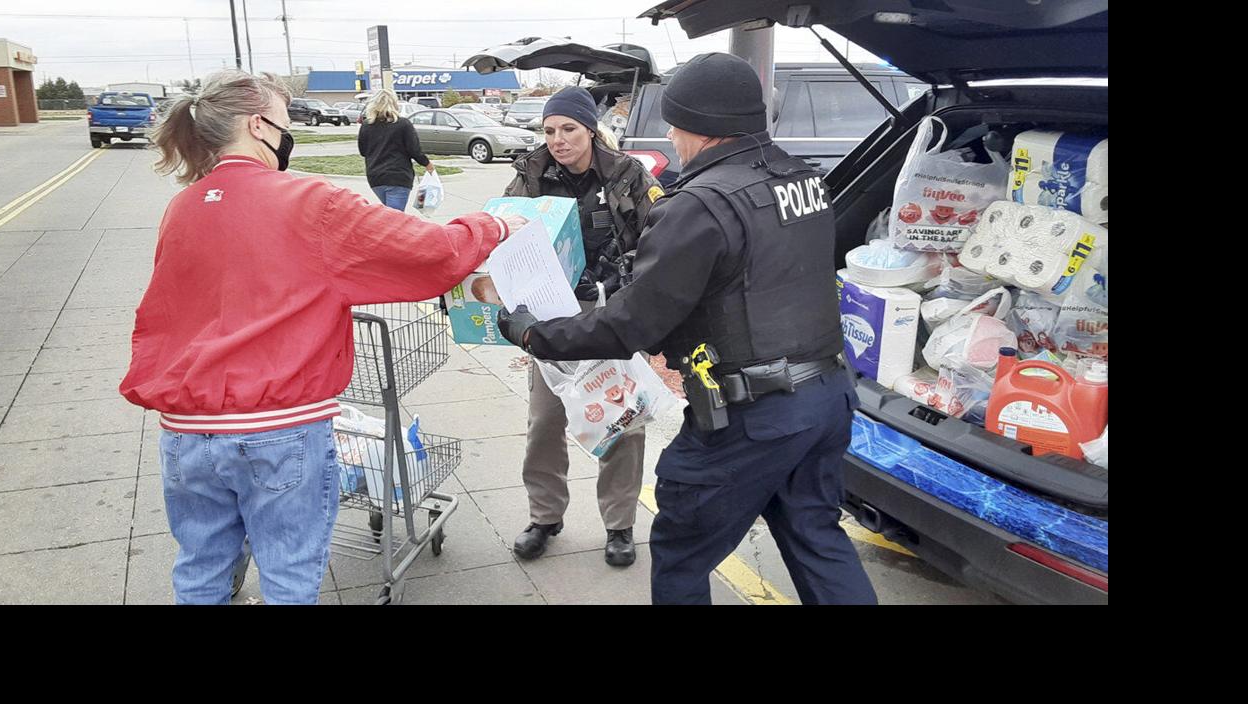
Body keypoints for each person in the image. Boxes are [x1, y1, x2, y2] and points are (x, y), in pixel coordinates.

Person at [120, 70, 523, 605]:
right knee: (289, 575)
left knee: (201, 570)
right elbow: (427, 252)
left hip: (187, 427)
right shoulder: (306, 201)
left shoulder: (184, 206)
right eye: (285, 124)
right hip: (277, 425)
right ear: (258, 125)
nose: (289, 136)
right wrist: (492, 228)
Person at [497, 54, 878, 604]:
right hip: (825, 397)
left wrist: (537, 334)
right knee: (815, 537)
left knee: (679, 550)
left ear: (701, 127)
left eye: (675, 124)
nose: (671, 136)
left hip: (752, 416)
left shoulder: (698, 204)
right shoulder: (801, 179)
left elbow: (634, 321)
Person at [500, 86, 664, 567]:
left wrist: (622, 269)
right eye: (549, 130)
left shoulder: (626, 174)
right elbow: (503, 231)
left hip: (609, 314)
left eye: (568, 128)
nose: (557, 139)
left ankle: (619, 526)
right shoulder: (530, 175)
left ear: (589, 130)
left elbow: (661, 239)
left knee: (620, 422)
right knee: (545, 424)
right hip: (549, 320)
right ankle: (545, 517)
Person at [357, 89, 434, 210]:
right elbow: (414, 150)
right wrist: (427, 164)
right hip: (398, 176)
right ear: (394, 103)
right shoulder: (403, 124)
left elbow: (363, 151)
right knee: (395, 220)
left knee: (389, 215)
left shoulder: (367, 125)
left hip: (376, 177)